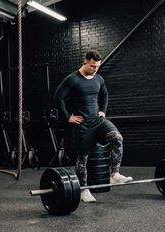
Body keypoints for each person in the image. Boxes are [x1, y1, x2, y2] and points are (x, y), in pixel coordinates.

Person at [54, 50, 133, 203]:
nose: (95, 69)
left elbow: (105, 95)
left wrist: (103, 110)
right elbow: (58, 97)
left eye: (97, 66)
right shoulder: (73, 79)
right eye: (92, 66)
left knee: (117, 138)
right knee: (83, 156)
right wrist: (67, 117)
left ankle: (114, 174)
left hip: (98, 121)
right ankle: (84, 190)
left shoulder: (99, 79)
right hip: (83, 125)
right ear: (85, 62)